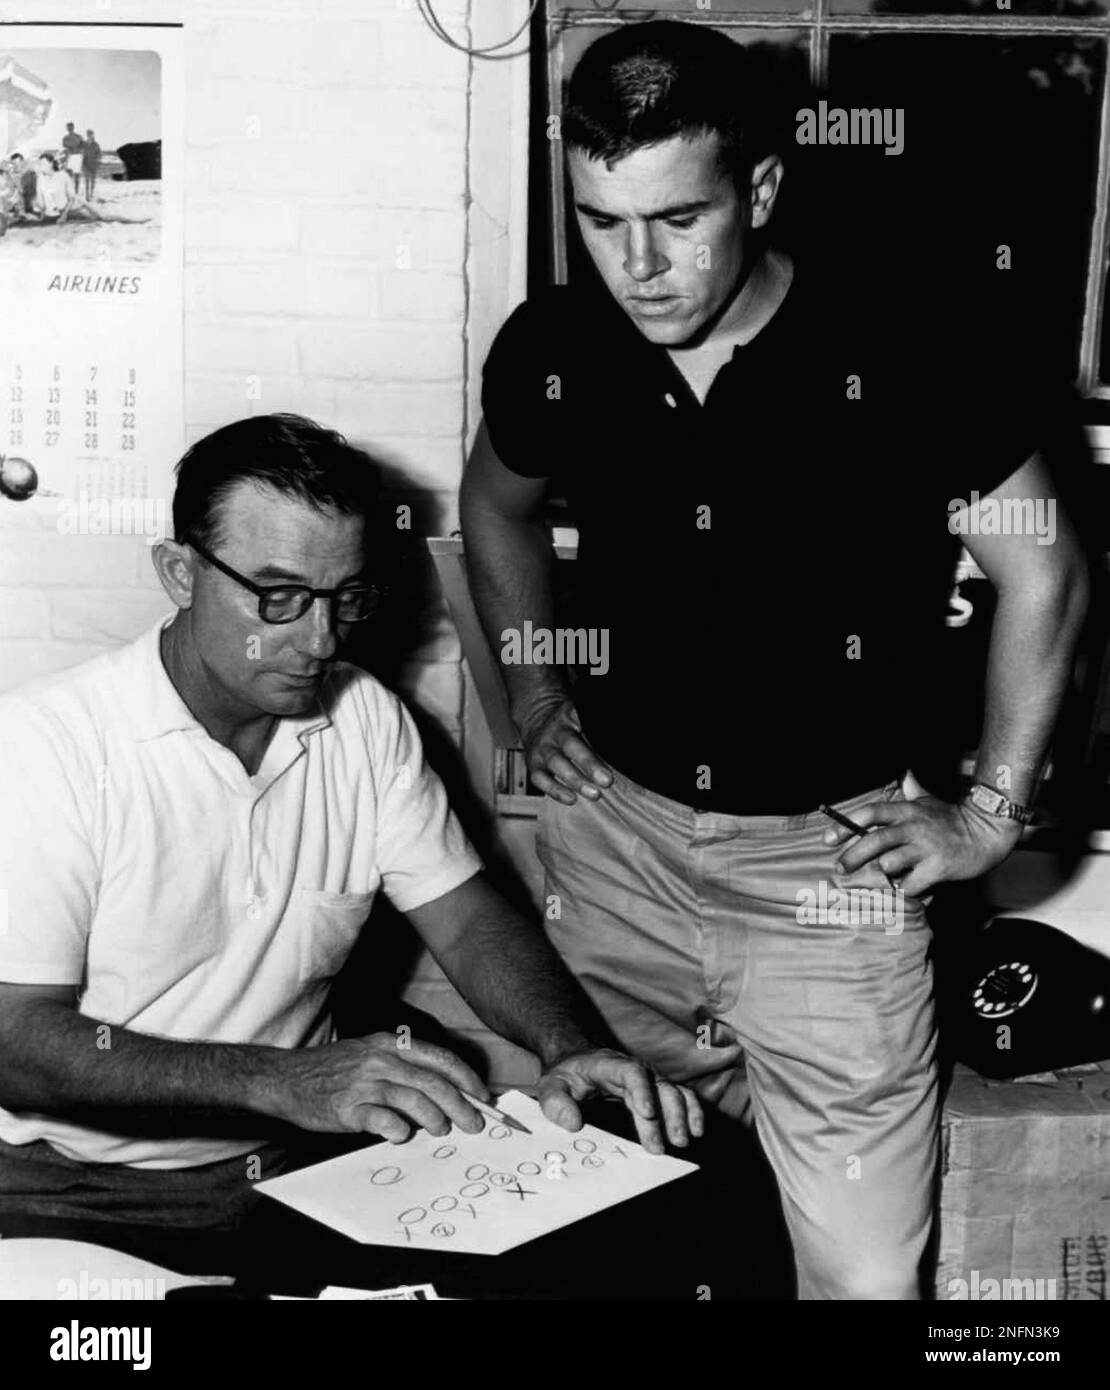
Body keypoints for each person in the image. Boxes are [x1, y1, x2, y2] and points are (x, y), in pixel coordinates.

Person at [460, 21, 1090, 1300]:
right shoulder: (560, 347)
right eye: (599, 221)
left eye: (678, 218)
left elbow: (1049, 569)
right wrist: (529, 687)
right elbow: (492, 507)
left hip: (827, 876)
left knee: (861, 1282)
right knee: (569, 1214)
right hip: (613, 846)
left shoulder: (911, 344)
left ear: (758, 189)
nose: (638, 266)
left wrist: (992, 813)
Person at [0, 413, 699, 1232]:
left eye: (346, 598)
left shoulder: (365, 718)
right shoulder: (46, 746)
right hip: (67, 1186)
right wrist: (287, 1080)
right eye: (280, 597)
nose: (321, 638)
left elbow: (468, 920)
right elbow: (15, 1042)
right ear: (181, 574)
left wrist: (569, 1045)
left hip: (289, 1170)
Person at [61, 121, 84, 193]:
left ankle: (76, 191)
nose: (69, 128)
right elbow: (64, 150)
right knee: (69, 175)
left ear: (73, 127)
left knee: (77, 175)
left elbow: (83, 147)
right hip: (70, 157)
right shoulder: (65, 138)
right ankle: (70, 191)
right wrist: (64, 161)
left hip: (77, 157)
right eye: (68, 127)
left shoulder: (79, 137)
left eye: (71, 127)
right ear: (67, 128)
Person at [82, 128, 101, 201]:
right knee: (86, 180)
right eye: (88, 134)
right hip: (86, 164)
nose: (88, 135)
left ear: (92, 135)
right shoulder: (85, 144)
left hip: (93, 165)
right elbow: (82, 154)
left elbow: (99, 154)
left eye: (90, 134)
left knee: (93, 180)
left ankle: (91, 194)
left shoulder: (96, 144)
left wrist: (97, 160)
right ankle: (87, 196)